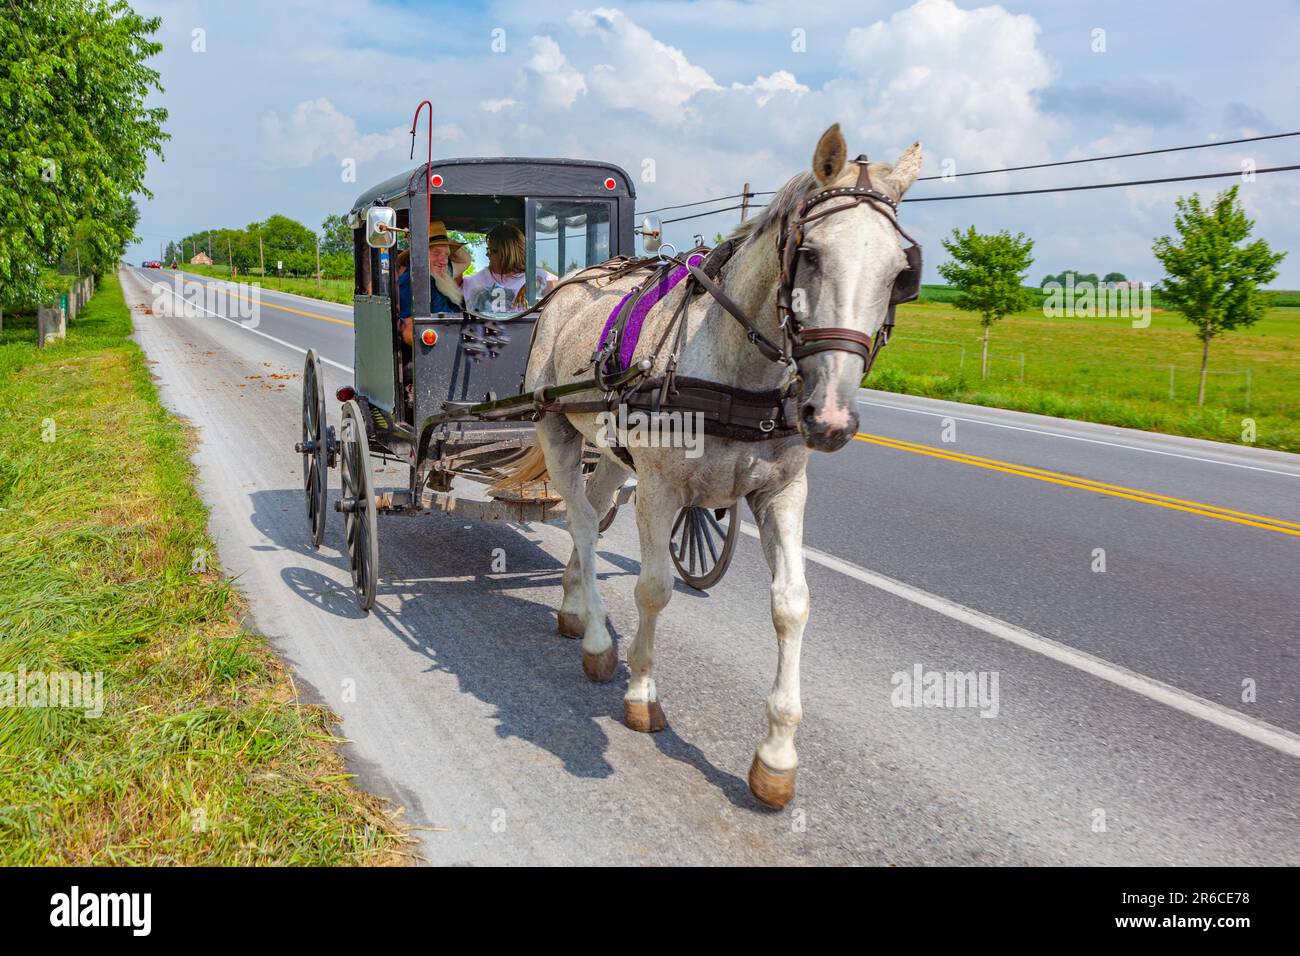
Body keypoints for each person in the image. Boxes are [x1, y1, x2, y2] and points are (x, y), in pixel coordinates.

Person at [397, 220, 470, 345]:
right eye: (436, 253)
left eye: (447, 254)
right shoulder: (411, 281)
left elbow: (466, 260)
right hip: (440, 348)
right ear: (419, 255)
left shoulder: (441, 274)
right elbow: (408, 333)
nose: (444, 261)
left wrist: (442, 236)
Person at [459, 223, 557, 315]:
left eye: (493, 251)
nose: (487, 254)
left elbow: (562, 287)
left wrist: (534, 283)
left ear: (509, 253)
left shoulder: (536, 276)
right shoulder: (474, 280)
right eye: (488, 249)